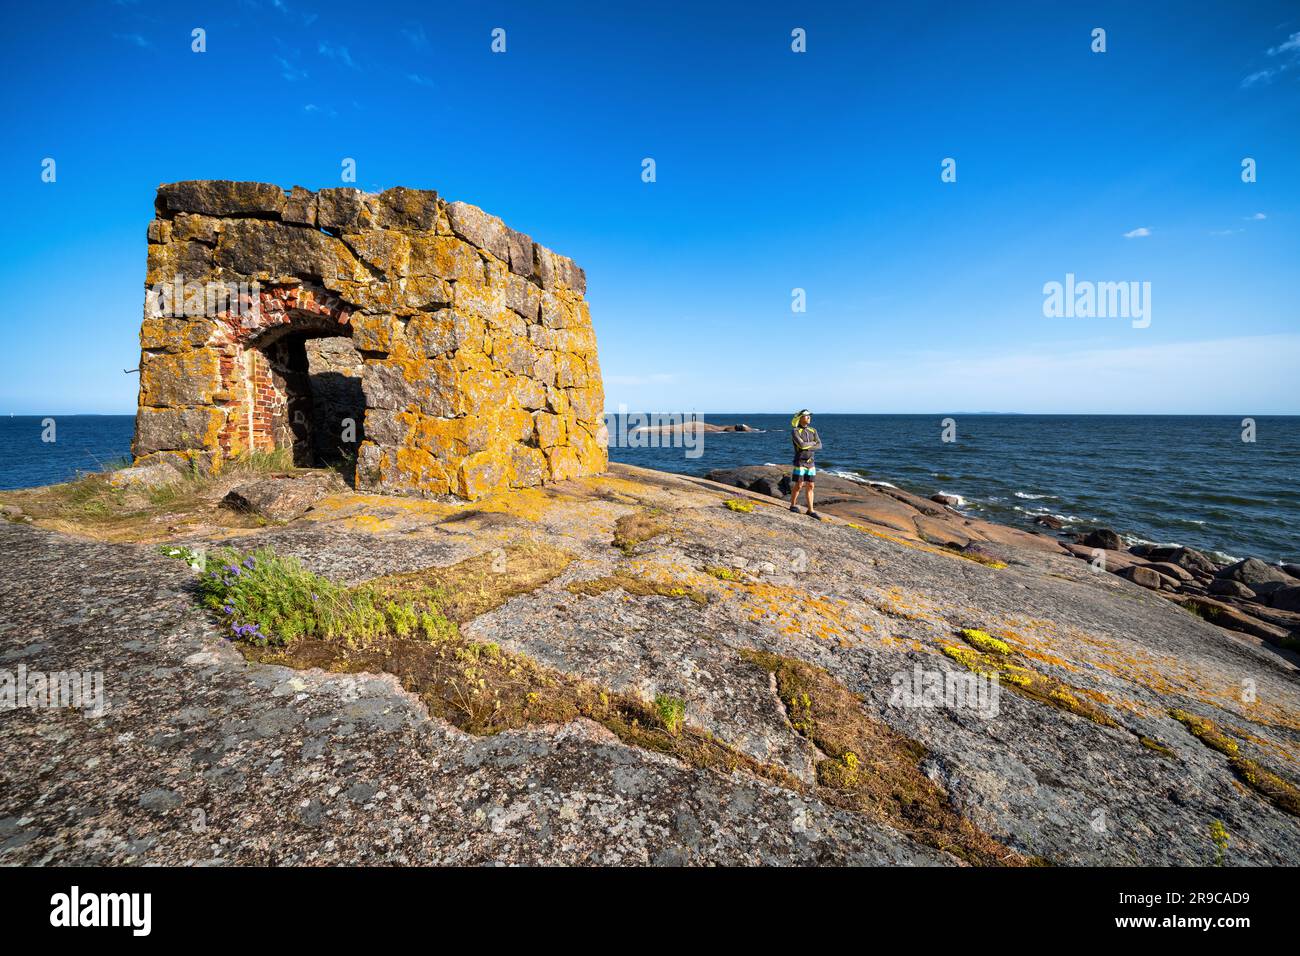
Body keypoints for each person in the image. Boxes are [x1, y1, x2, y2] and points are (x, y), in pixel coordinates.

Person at [789, 409, 823, 519]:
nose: (809, 417)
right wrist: (813, 443)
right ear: (800, 418)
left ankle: (810, 510)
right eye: (806, 416)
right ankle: (793, 505)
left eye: (809, 416)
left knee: (811, 485)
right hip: (800, 462)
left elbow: (820, 445)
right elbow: (802, 446)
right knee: (799, 485)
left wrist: (809, 444)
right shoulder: (795, 431)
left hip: (811, 462)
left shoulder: (813, 430)